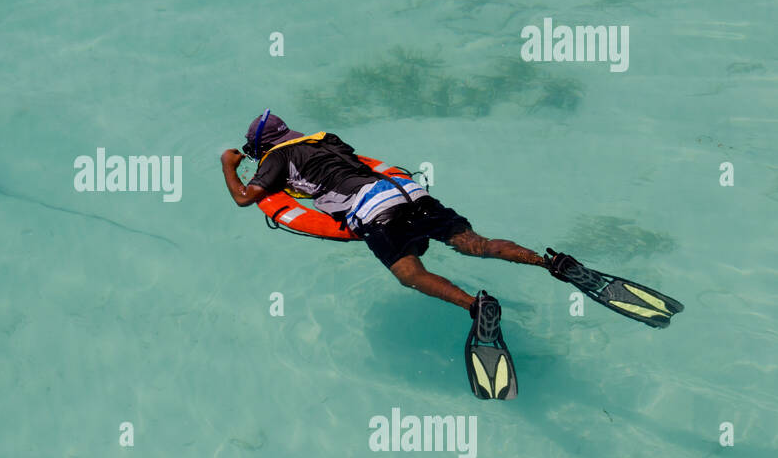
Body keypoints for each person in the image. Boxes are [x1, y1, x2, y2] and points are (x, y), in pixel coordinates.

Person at [220, 111, 682, 400]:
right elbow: (360, 166)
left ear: (264, 148)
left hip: (373, 210)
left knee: (410, 274)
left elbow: (246, 199)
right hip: (407, 192)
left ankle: (475, 307)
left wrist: (230, 165)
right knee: (475, 244)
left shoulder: (276, 159)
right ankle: (555, 264)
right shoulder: (328, 140)